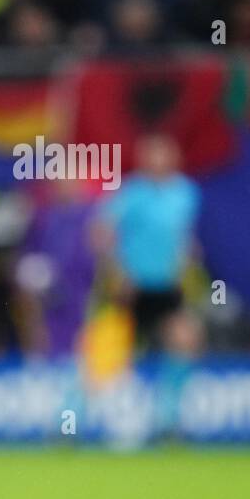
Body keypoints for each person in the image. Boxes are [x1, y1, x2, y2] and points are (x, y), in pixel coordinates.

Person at [93, 133, 200, 352]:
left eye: (163, 154)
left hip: (169, 283)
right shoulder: (130, 192)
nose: (157, 160)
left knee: (185, 340)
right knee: (118, 345)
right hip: (132, 285)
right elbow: (101, 231)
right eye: (152, 154)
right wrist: (117, 270)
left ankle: (176, 385)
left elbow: (189, 236)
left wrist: (187, 266)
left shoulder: (186, 193)